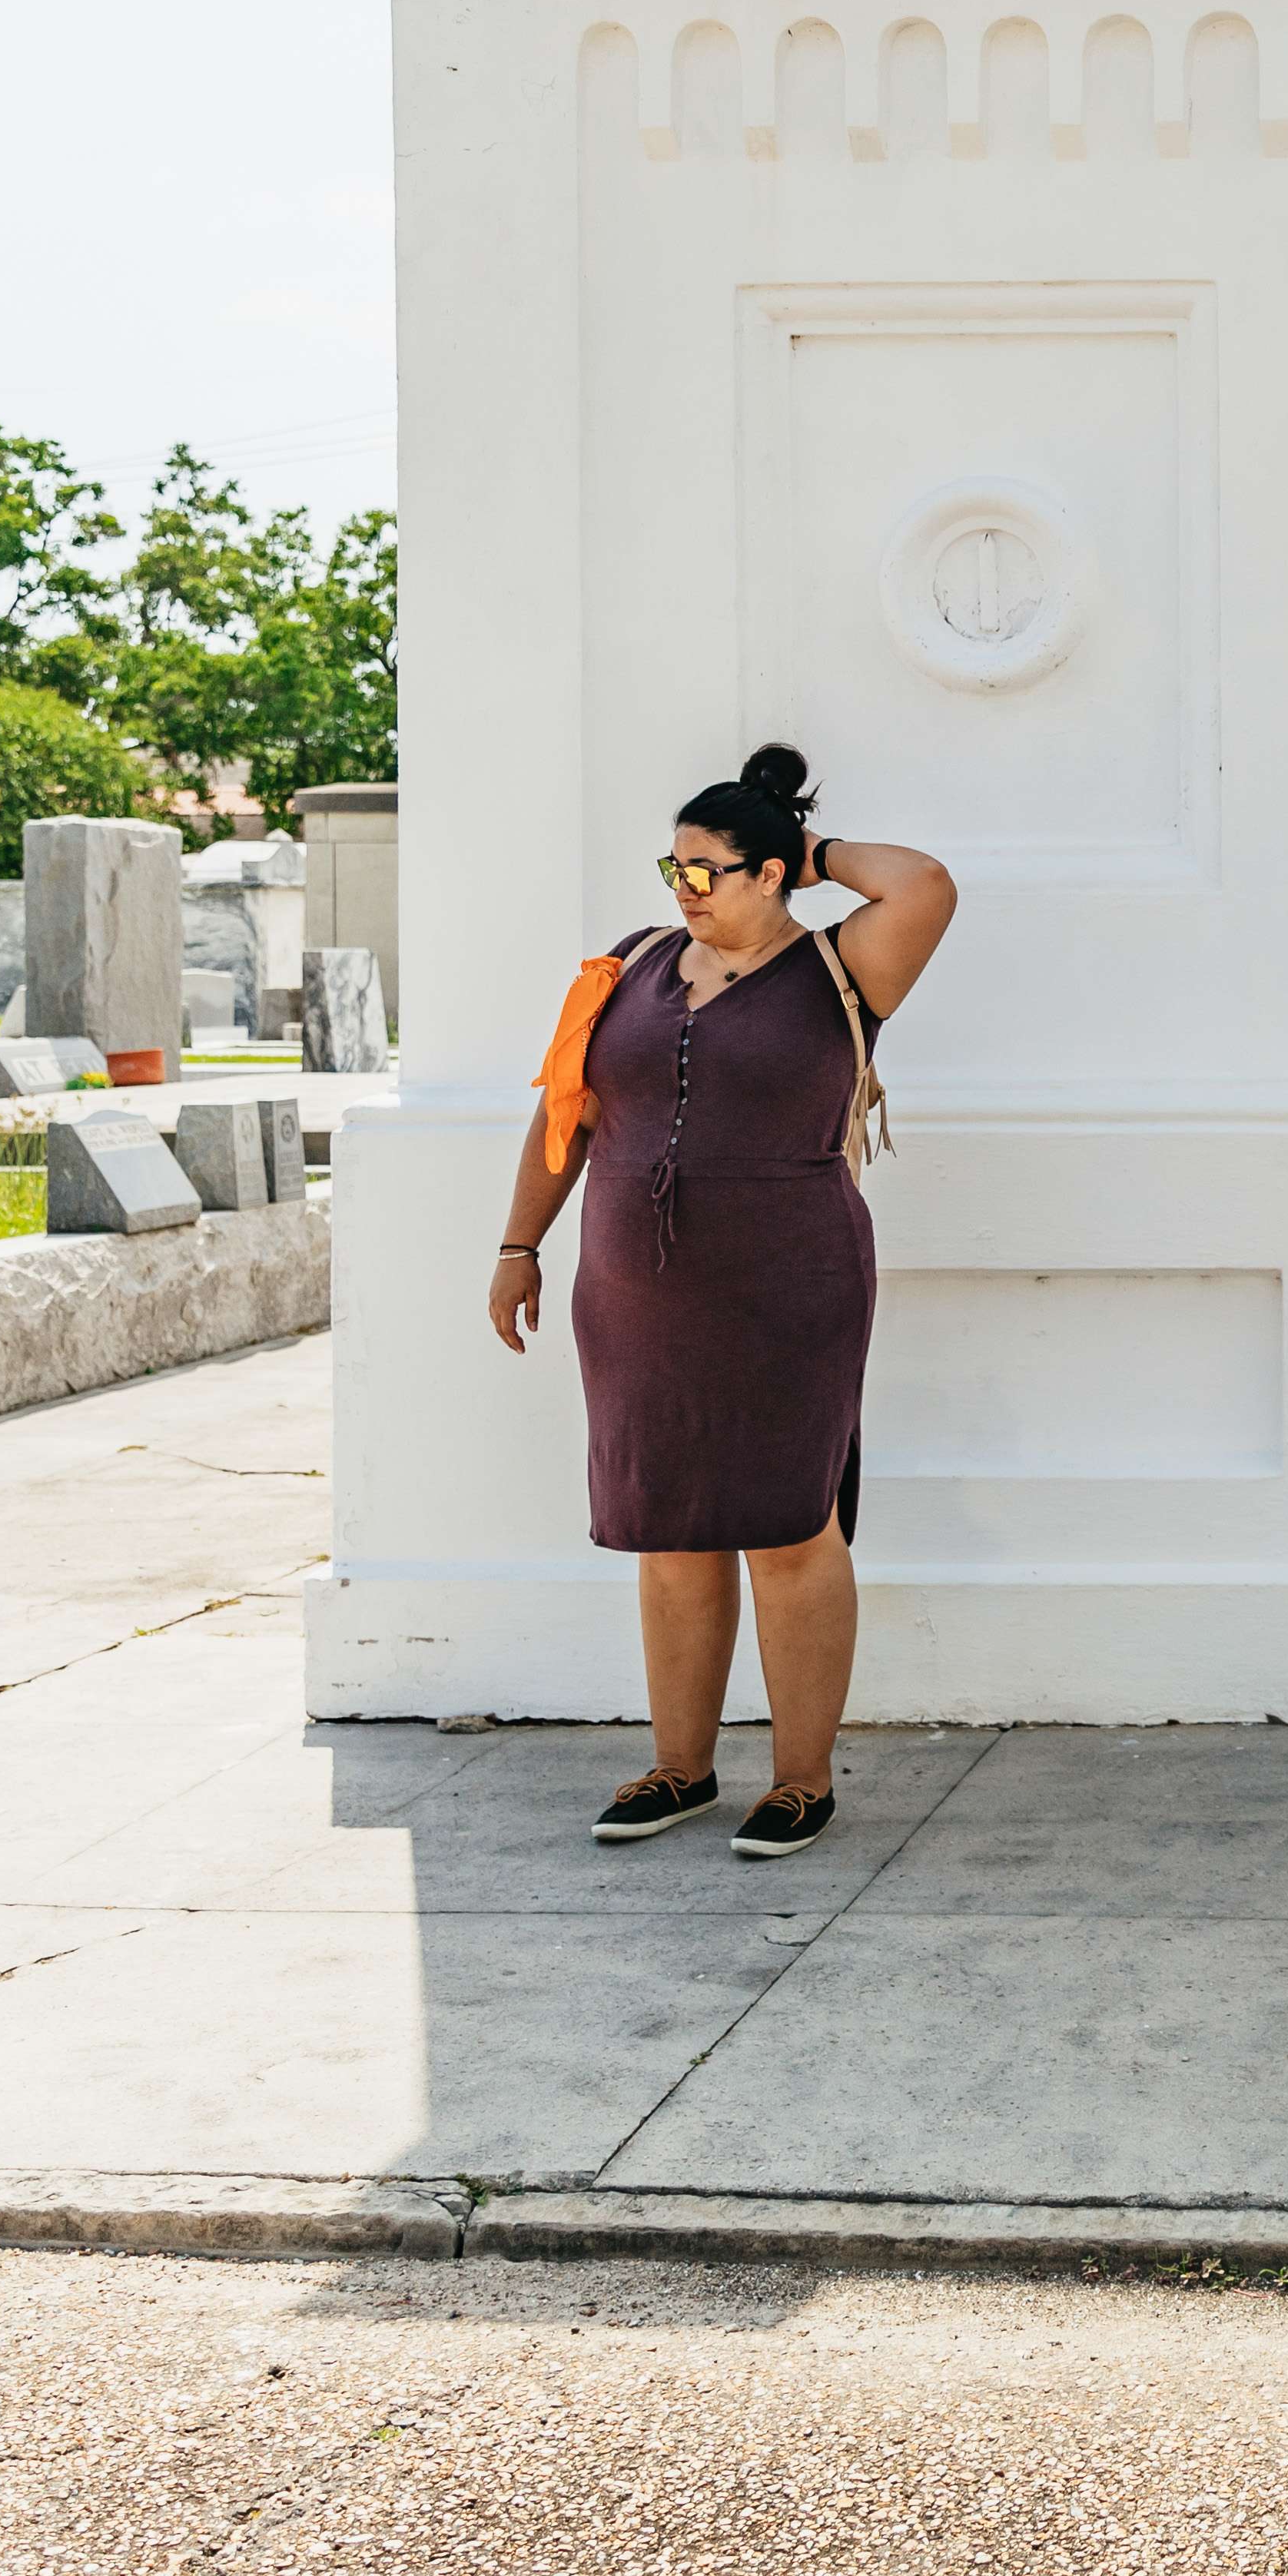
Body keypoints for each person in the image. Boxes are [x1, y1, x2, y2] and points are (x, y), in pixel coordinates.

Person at [486, 744, 953, 1855]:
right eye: (674, 868)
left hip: (790, 1285)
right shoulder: (631, 965)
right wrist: (520, 1245)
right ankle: (679, 1768)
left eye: (708, 870)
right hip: (633, 1292)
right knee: (670, 1532)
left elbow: (924, 882)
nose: (684, 891)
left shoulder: (846, 965)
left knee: (793, 1527)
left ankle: (801, 1780)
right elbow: (571, 1115)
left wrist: (816, 845)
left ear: (771, 875)